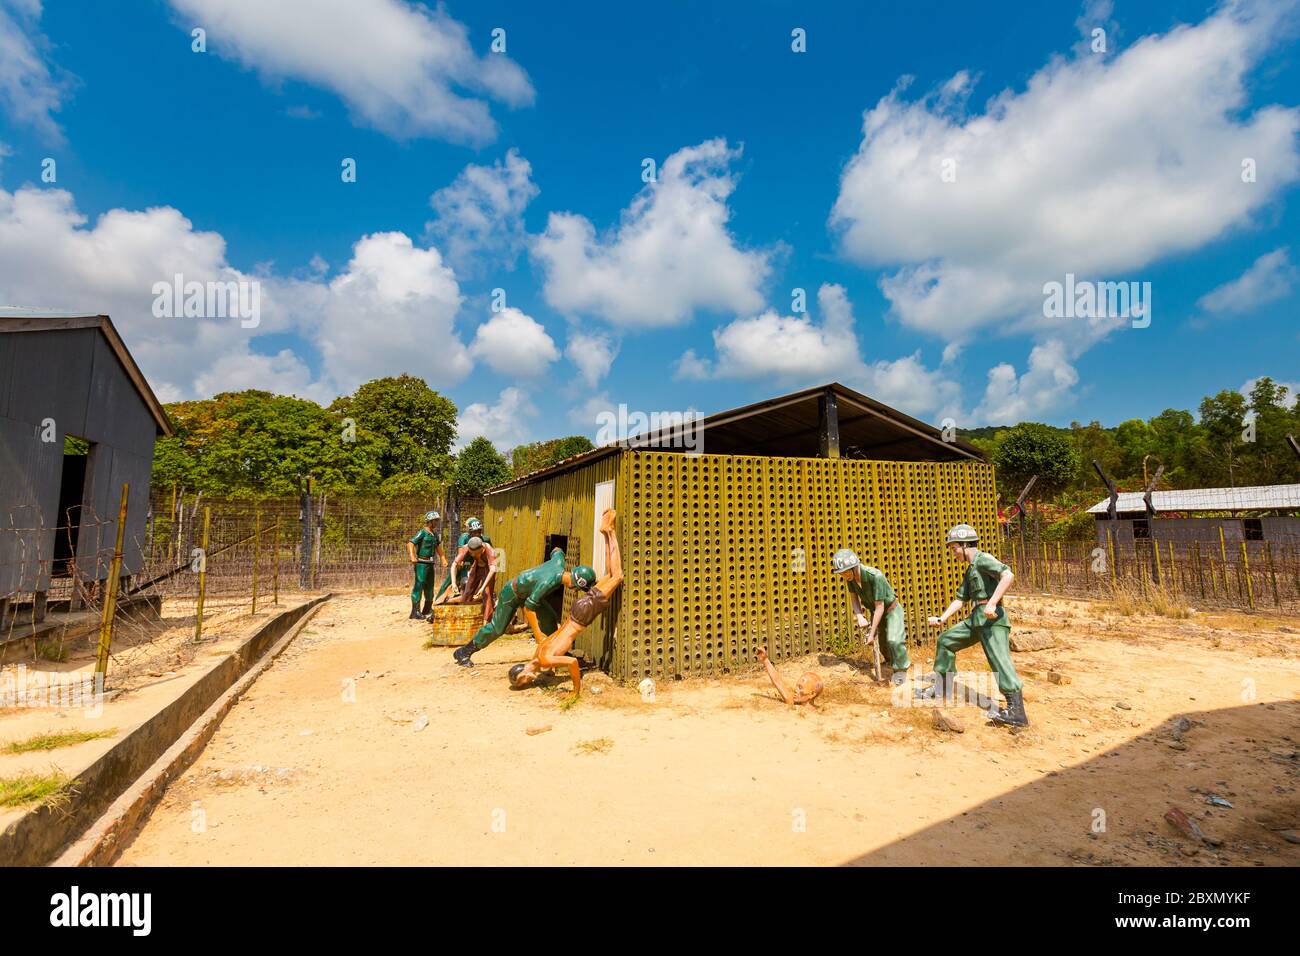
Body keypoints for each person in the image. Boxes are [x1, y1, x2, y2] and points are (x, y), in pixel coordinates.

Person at [509, 509, 622, 698]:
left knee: (617, 576)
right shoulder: (539, 650)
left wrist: (575, 692)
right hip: (576, 612)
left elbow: (572, 663)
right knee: (609, 575)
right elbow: (552, 647)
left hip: (582, 616)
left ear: (523, 673)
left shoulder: (544, 660)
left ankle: (610, 532)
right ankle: (605, 533)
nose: (530, 679)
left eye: (526, 680)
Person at [923, 524, 1028, 728]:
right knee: (946, 640)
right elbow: (960, 599)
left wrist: (992, 602)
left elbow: (1008, 575)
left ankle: (1016, 712)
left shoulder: (983, 559)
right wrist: (941, 619)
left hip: (992, 620)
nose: (953, 553)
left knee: (999, 661)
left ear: (964, 544)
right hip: (976, 619)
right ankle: (942, 686)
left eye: (954, 548)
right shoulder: (970, 570)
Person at [453, 541, 597, 668]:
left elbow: (557, 550)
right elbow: (529, 608)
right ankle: (464, 652)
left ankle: (559, 653)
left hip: (526, 592)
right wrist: (538, 634)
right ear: (577, 585)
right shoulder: (549, 582)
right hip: (512, 593)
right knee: (497, 628)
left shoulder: (560, 563)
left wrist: (557, 556)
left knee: (549, 619)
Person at [831, 548, 910, 684]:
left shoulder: (875, 576)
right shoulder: (850, 579)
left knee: (894, 641)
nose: (843, 576)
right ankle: (890, 662)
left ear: (854, 567)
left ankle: (901, 670)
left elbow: (880, 606)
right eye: (841, 573)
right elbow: (854, 599)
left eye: (845, 572)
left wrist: (871, 634)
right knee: (885, 645)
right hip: (877, 612)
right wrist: (860, 616)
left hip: (891, 610)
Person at [433, 535, 498, 623]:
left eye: (476, 553)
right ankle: (465, 617)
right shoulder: (466, 548)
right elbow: (454, 566)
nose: (473, 555)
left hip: (488, 571)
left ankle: (486, 623)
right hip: (476, 569)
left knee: (487, 594)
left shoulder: (489, 549)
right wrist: (454, 583)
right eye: (472, 553)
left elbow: (493, 570)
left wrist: (482, 587)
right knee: (467, 593)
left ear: (482, 548)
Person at [433, 516, 491, 604]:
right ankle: (437, 605)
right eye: (474, 532)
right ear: (469, 532)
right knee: (449, 584)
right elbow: (461, 557)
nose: (477, 534)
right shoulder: (464, 538)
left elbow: (491, 555)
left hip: (479, 566)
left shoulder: (486, 540)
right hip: (465, 564)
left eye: (479, 531)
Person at [406, 511, 445, 620]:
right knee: (419, 585)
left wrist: (443, 558)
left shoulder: (434, 534)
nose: (437, 522)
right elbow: (410, 543)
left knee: (429, 586)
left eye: (437, 520)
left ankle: (427, 609)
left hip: (430, 564)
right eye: (435, 520)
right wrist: (412, 556)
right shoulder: (422, 532)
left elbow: (438, 547)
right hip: (421, 563)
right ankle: (415, 611)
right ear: (430, 521)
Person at [755, 647, 823, 707]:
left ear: (812, 694)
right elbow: (777, 681)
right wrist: (765, 660)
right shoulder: (792, 703)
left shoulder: (820, 712)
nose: (795, 690)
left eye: (800, 688)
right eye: (797, 686)